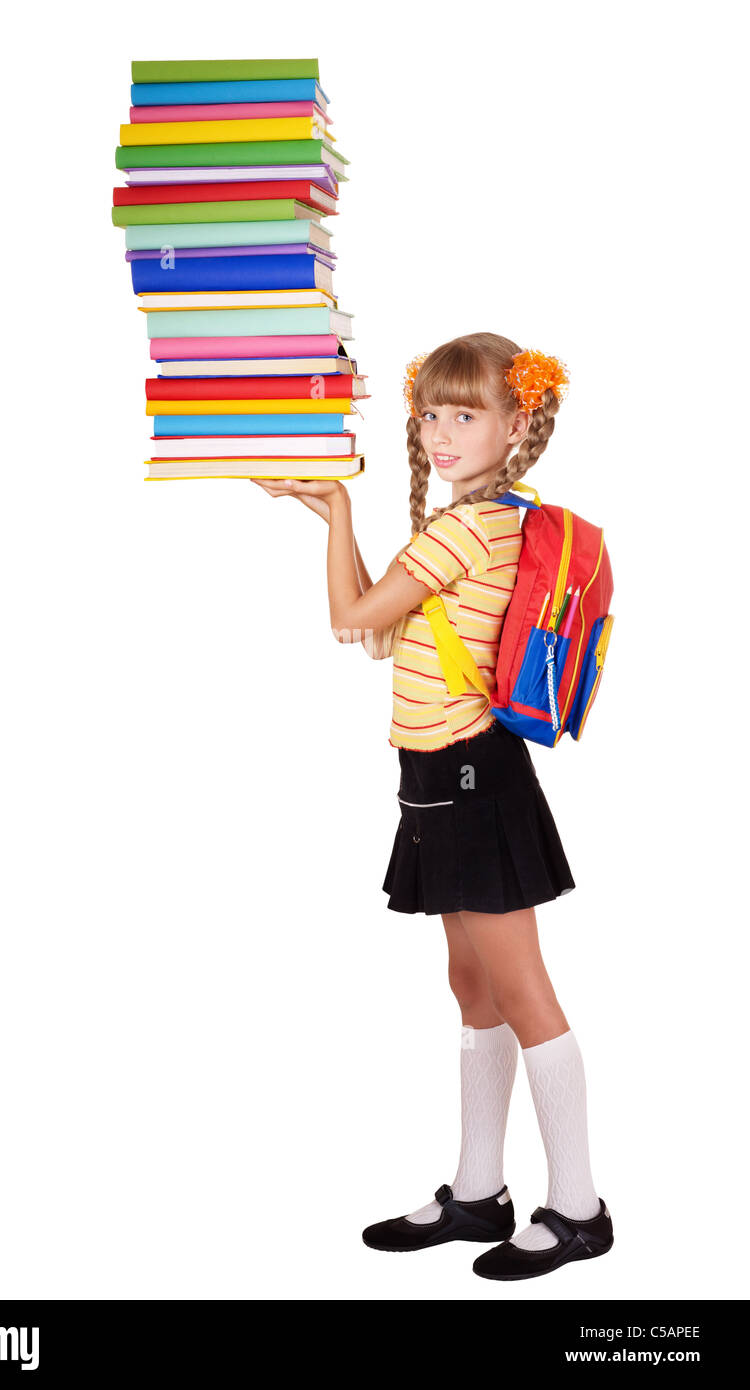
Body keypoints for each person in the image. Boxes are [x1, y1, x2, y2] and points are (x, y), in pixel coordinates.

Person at [250, 332, 613, 1280]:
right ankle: (478, 1191)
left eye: (467, 414)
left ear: (515, 424)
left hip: (470, 780)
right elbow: (381, 638)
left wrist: (336, 518)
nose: (442, 432)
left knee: (522, 991)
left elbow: (347, 621)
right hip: (439, 781)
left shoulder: (465, 529)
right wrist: (338, 515)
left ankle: (578, 1209)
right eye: (433, 413)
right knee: (474, 986)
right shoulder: (478, 526)